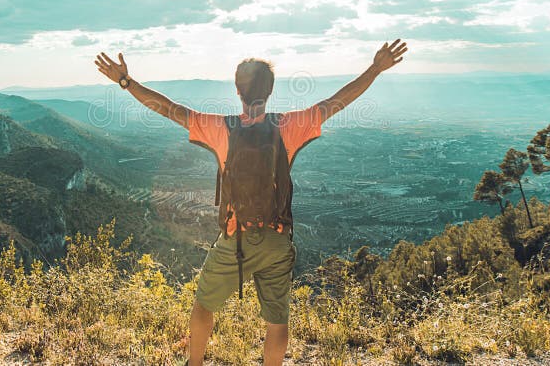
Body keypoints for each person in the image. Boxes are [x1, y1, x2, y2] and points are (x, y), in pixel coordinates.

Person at [94, 39, 407, 366]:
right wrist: (375, 68)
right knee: (277, 320)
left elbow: (168, 108)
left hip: (236, 237)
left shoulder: (220, 129)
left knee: (204, 305)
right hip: (276, 237)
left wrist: (125, 82)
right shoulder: (289, 126)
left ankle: (195, 363)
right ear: (270, 91)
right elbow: (337, 102)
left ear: (237, 90)